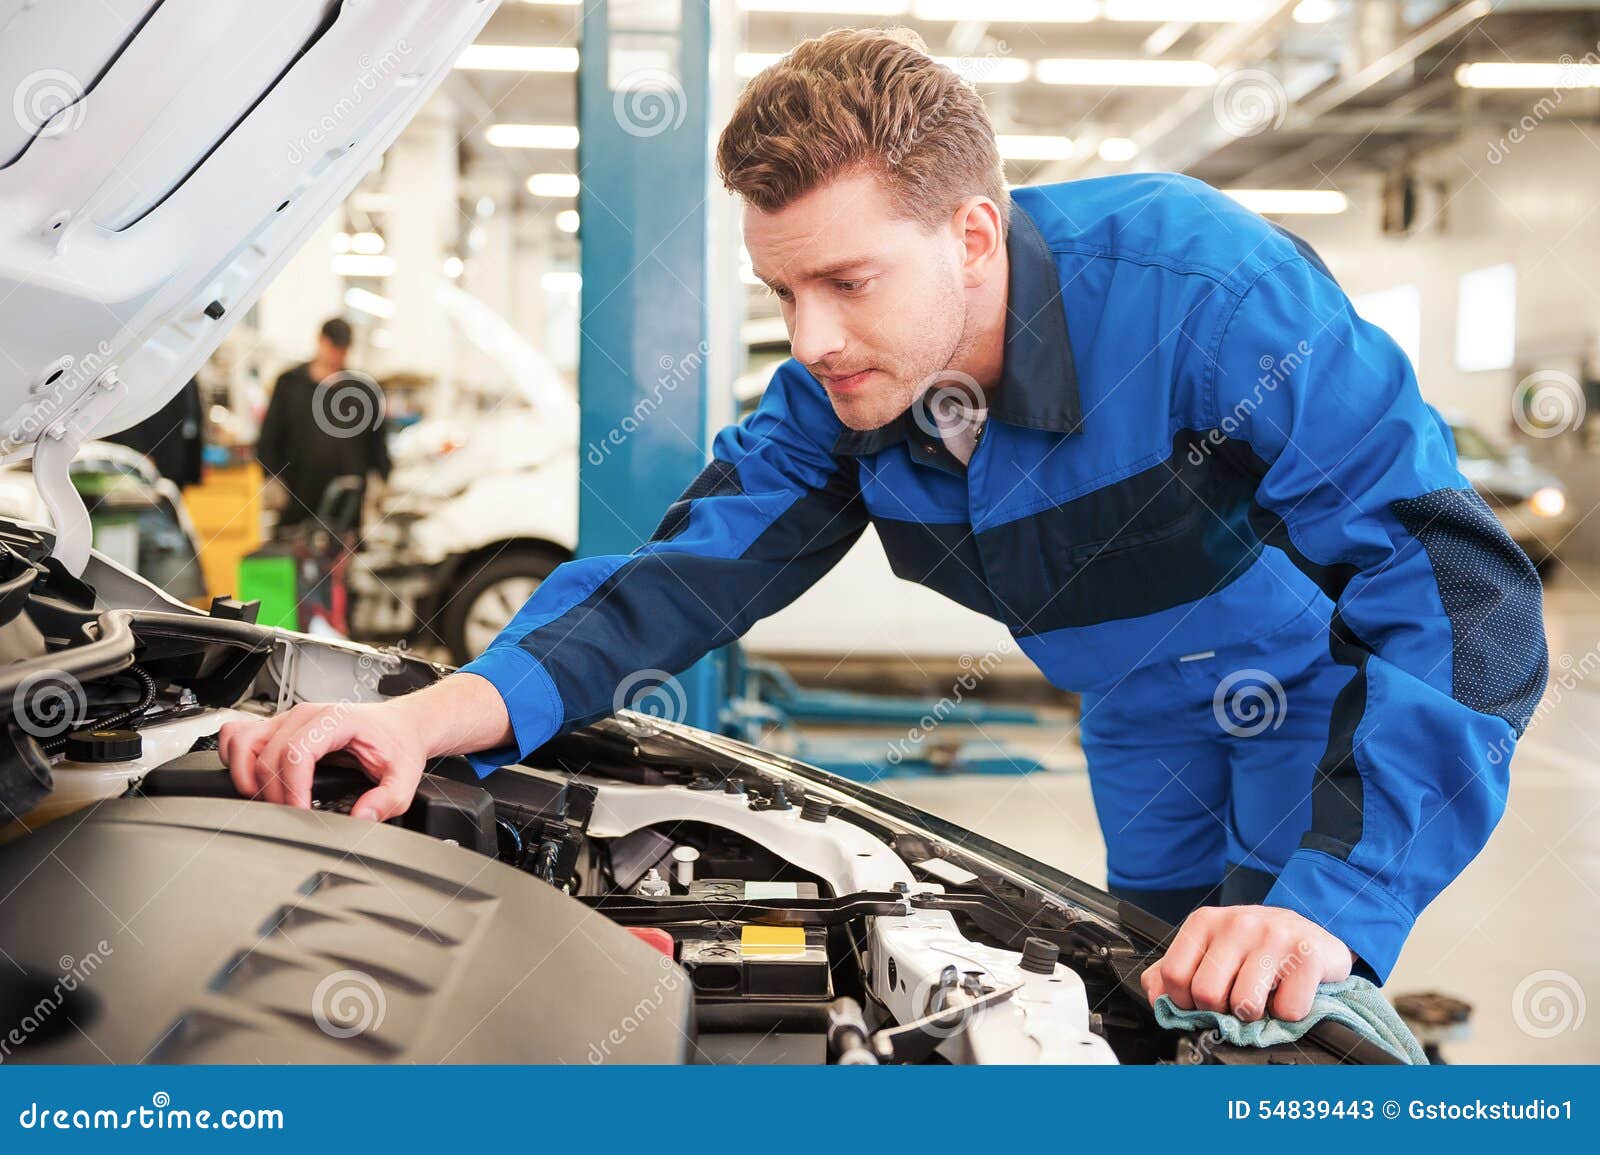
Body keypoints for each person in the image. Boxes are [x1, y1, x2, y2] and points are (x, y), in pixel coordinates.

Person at [220, 30, 1548, 1024]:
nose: (809, 340)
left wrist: (1328, 904)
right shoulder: (845, 396)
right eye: (782, 289)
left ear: (973, 235)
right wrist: (417, 716)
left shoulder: (1203, 297)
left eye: (848, 281)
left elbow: (1458, 590)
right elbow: (673, 580)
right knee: (1153, 993)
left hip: (1312, 695)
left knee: (1272, 995)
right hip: (1135, 712)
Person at [256, 317, 391, 534]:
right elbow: (270, 435)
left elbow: (377, 440)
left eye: (343, 349)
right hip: (297, 496)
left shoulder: (362, 390)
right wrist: (271, 478)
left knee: (341, 560)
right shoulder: (290, 384)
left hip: (348, 500)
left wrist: (381, 478)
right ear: (320, 341)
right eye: (333, 347)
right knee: (298, 557)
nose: (338, 355)